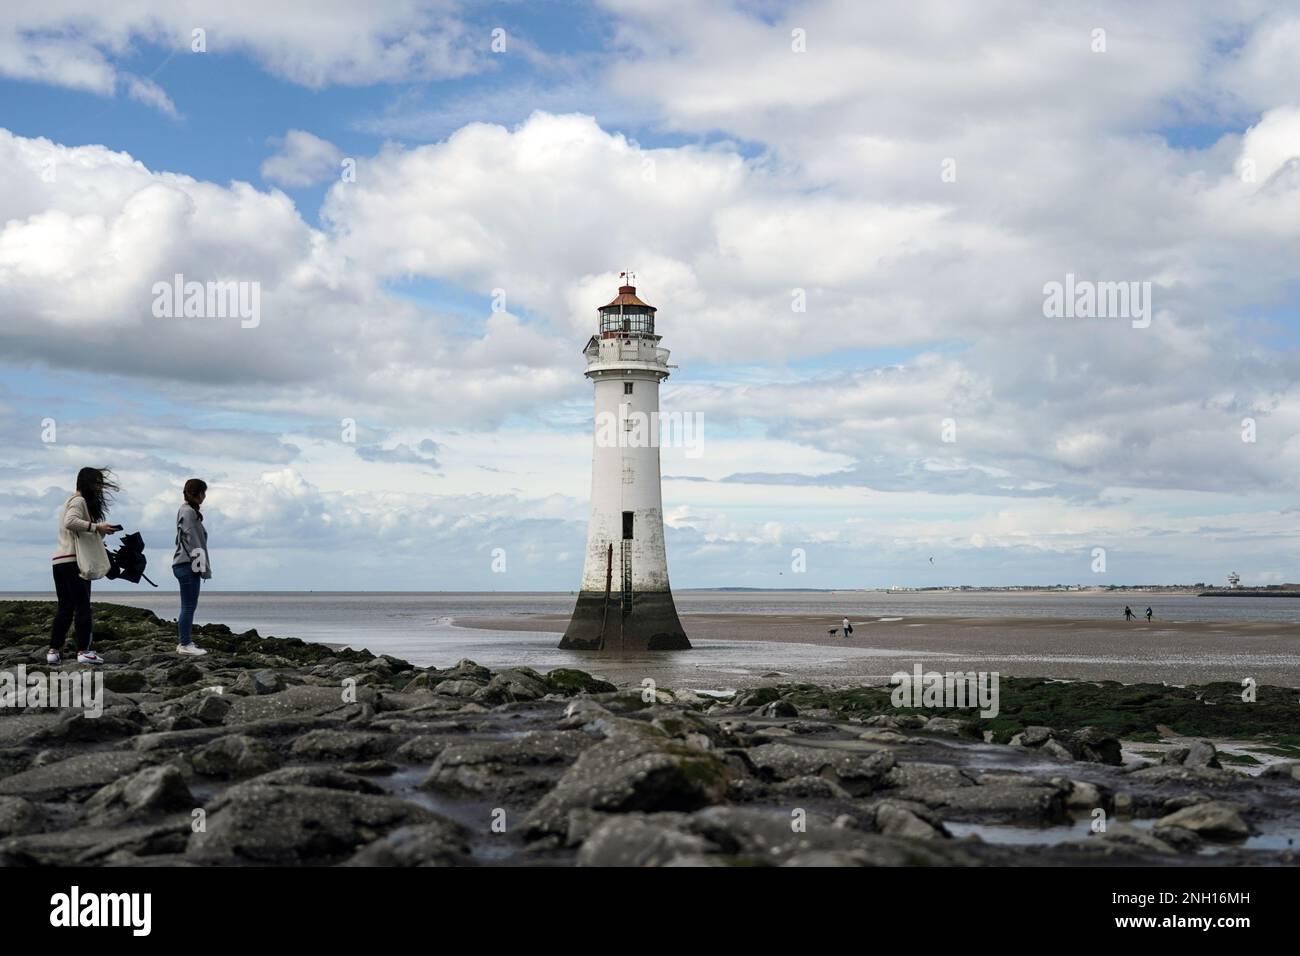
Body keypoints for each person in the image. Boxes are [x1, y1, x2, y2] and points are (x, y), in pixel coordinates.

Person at [49, 467, 119, 665]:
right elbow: (71, 522)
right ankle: (83, 651)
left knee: (65, 607)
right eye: (97, 484)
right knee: (82, 607)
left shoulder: (68, 502)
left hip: (59, 561)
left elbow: (71, 527)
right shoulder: (79, 501)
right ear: (87, 483)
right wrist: (97, 527)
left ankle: (53, 651)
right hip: (74, 561)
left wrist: (100, 530)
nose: (99, 488)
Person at [172, 478, 211, 656]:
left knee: (188, 605)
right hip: (187, 564)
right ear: (198, 493)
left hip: (185, 564)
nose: (205, 496)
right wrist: (201, 568)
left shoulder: (186, 510)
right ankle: (185, 643)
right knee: (188, 606)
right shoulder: (188, 512)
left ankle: (186, 641)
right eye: (204, 493)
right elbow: (194, 542)